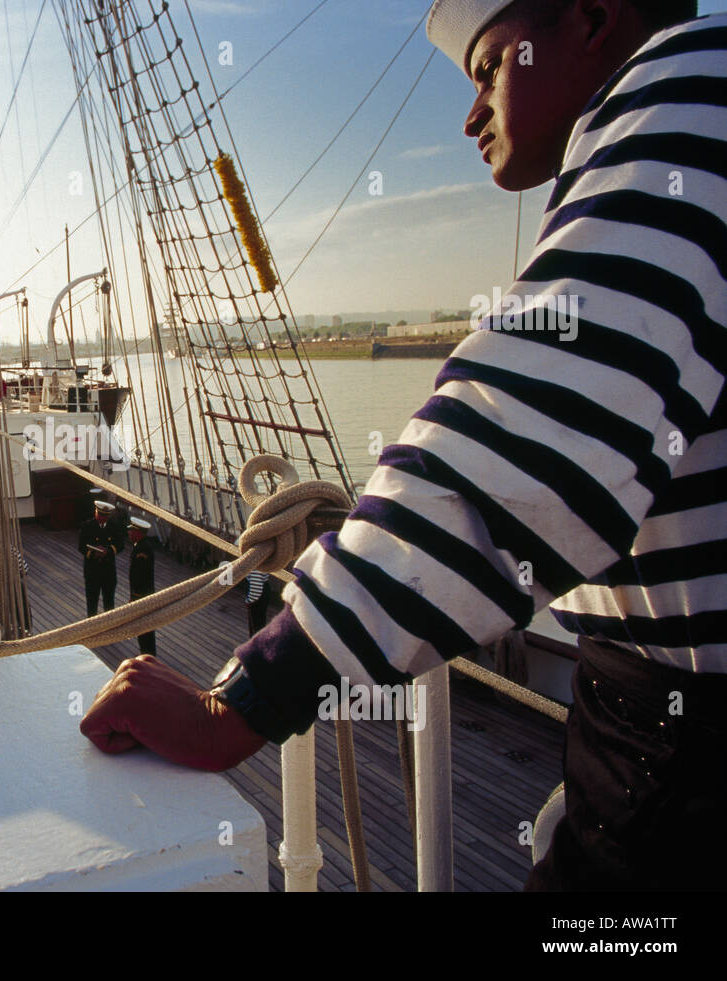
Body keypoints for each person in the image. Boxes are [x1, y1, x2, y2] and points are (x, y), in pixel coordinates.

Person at [80, 0, 725, 890]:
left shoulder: (696, 87)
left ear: (591, 17)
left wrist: (246, 697)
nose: (471, 113)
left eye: (488, 67)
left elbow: (525, 438)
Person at [78, 500, 125, 617]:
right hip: (92, 571)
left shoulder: (113, 527)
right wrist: (93, 553)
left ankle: (109, 625)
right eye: (99, 515)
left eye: (104, 516)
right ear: (96, 512)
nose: (101, 518)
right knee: (92, 603)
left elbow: (120, 545)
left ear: (108, 516)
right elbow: (81, 546)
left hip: (108, 571)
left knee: (109, 603)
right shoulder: (87, 526)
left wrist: (108, 551)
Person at [126, 517, 156, 655]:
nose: (129, 533)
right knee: (144, 629)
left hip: (142, 596)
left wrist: (134, 597)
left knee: (144, 629)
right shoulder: (140, 546)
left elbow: (140, 577)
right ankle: (147, 655)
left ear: (138, 533)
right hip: (142, 594)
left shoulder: (142, 551)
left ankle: (148, 655)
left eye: (131, 531)